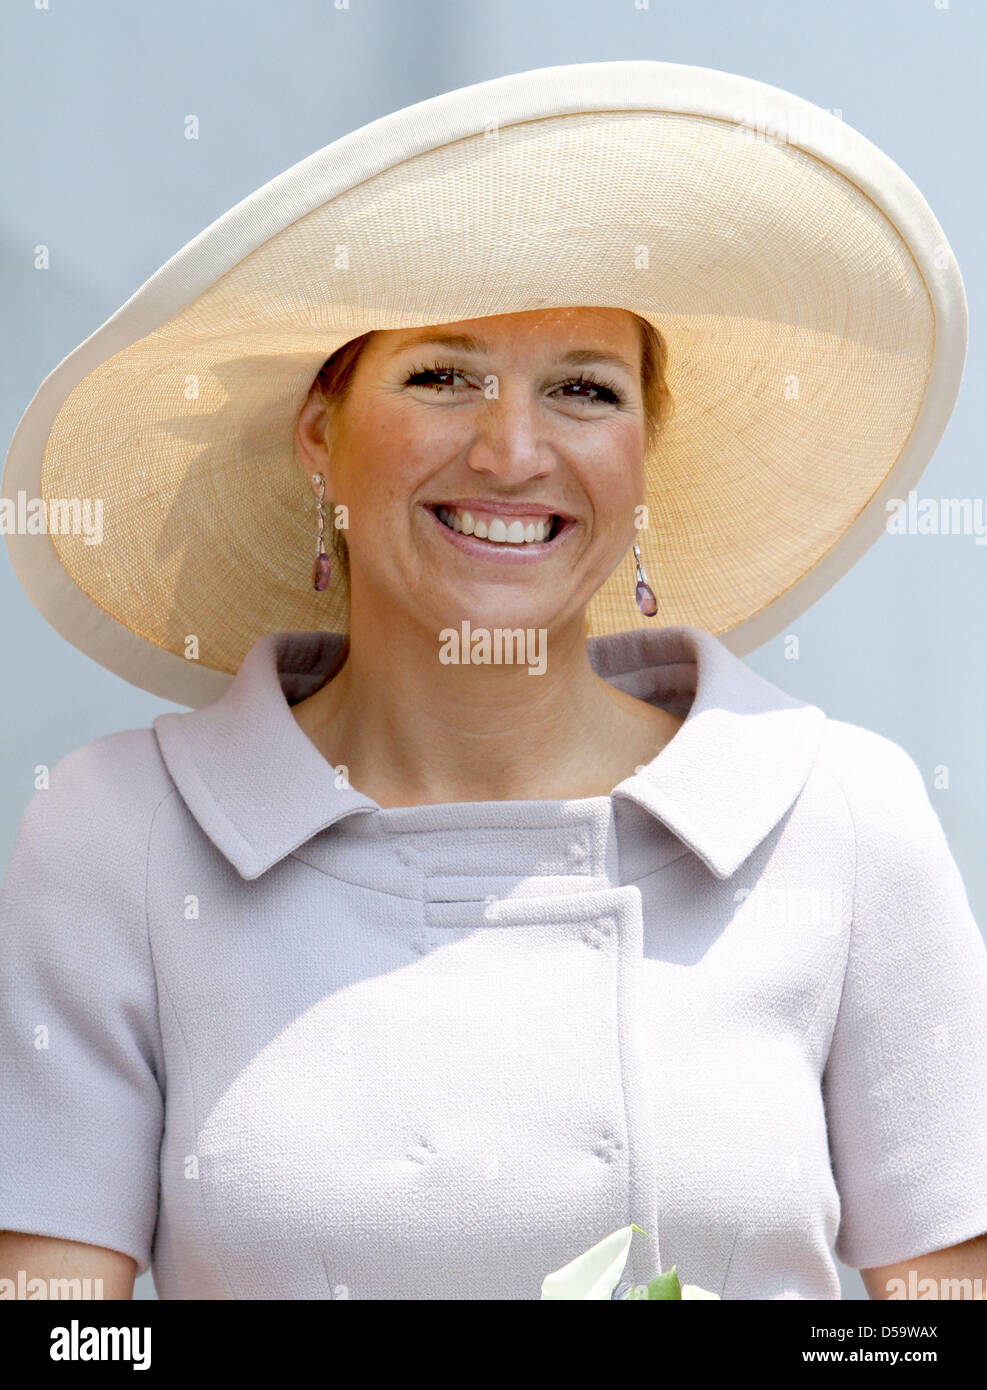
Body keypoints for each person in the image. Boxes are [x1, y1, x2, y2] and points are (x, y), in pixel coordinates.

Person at [1, 61, 985, 1301]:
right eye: (441, 374)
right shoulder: (120, 836)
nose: (513, 451)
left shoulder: (839, 816)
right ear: (323, 431)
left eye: (584, 390)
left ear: (642, 454)